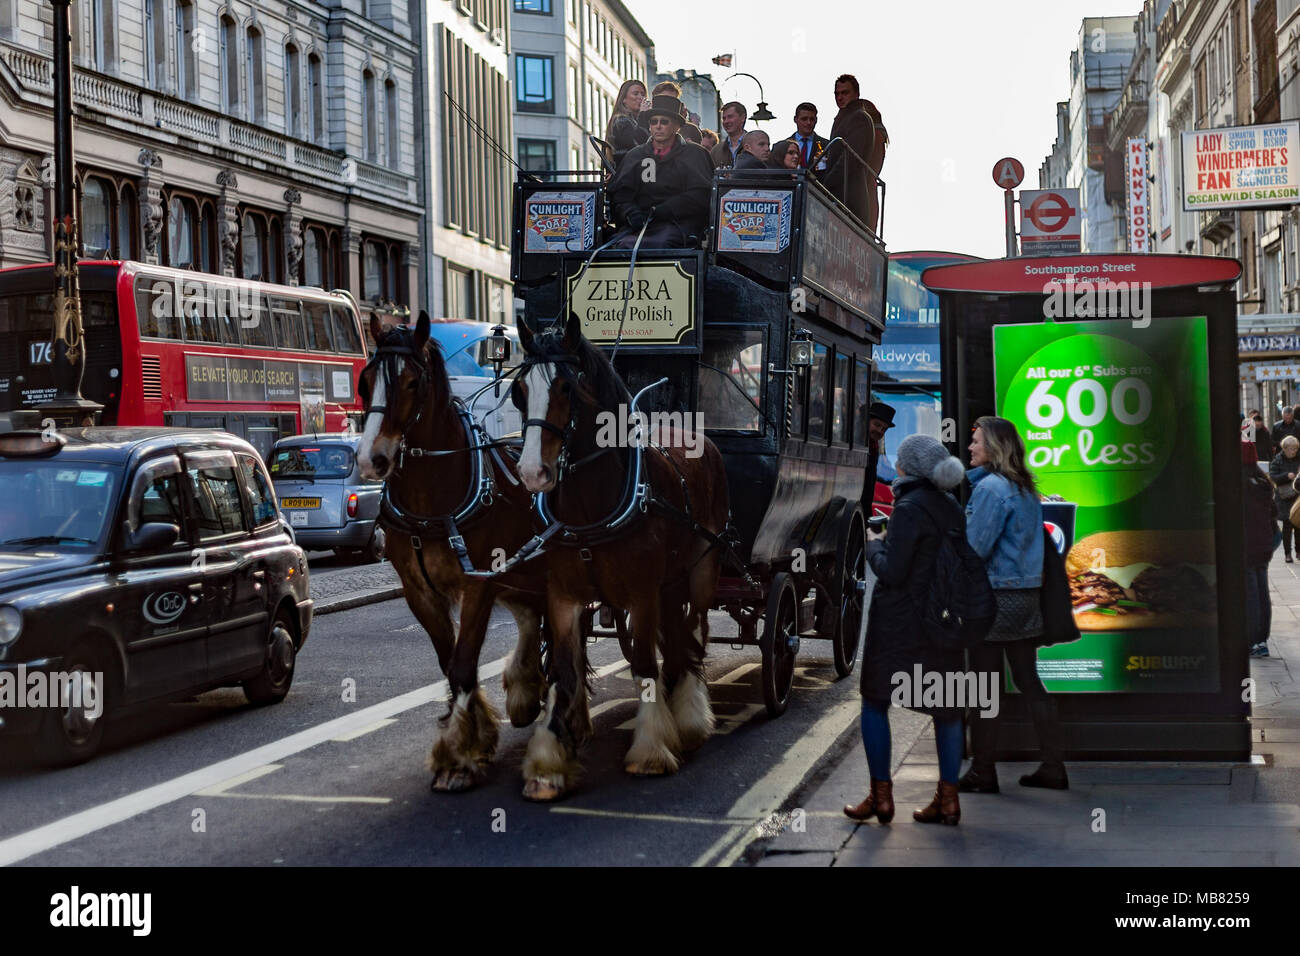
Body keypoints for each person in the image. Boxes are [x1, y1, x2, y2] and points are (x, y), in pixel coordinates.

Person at [844, 434, 969, 826]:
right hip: (943, 621)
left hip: (899, 623)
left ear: (910, 468)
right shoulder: (951, 506)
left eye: (901, 459)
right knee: (947, 709)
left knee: (875, 701)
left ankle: (880, 796)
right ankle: (948, 800)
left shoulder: (909, 507)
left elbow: (893, 571)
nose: (895, 463)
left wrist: (875, 544)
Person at [959, 416, 1069, 793]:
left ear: (993, 448)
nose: (970, 447)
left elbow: (974, 550)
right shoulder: (1022, 487)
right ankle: (1054, 765)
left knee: (984, 686)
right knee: (1028, 681)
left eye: (976, 441)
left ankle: (983, 770)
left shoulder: (990, 489)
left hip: (995, 597)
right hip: (1025, 597)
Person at [607, 93, 713, 248]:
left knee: (661, 245)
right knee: (621, 247)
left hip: (678, 225)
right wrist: (630, 213)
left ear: (676, 126)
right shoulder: (635, 155)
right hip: (639, 226)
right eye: (653, 122)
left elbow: (701, 195)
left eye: (664, 122)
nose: (658, 126)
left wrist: (665, 210)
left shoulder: (695, 154)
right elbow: (620, 195)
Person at [823, 74, 877, 230]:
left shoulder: (859, 117)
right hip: (841, 194)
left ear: (856, 94)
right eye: (837, 94)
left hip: (851, 197)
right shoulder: (844, 117)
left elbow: (850, 158)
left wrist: (826, 183)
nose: (840, 97)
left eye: (845, 93)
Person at [1244, 442, 1277, 658]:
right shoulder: (1262, 482)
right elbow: (1273, 514)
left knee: (1251, 594)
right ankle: (1262, 640)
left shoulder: (1238, 484)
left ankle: (1253, 640)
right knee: (1262, 592)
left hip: (1246, 545)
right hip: (1264, 544)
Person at [602, 79, 649, 171]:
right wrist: (644, 117)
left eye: (643, 94)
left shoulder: (637, 120)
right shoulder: (621, 121)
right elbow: (638, 146)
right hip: (628, 173)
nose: (640, 97)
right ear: (624, 99)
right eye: (635, 94)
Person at [1269, 435, 1299, 562]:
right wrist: (1287, 476)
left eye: (1295, 449)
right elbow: (1273, 476)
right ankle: (1288, 553)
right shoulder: (1277, 460)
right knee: (1287, 527)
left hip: (1297, 497)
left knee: (1298, 525)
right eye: (1291, 449)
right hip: (1284, 498)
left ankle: (1298, 551)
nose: (1294, 451)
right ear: (1285, 448)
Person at [788, 102, 828, 169]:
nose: (808, 123)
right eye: (804, 119)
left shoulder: (826, 145)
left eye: (812, 119)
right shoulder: (783, 146)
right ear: (795, 119)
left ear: (816, 120)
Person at [710, 101, 748, 168]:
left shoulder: (756, 146)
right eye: (724, 118)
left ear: (743, 118)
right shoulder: (716, 151)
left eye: (730, 117)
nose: (726, 121)